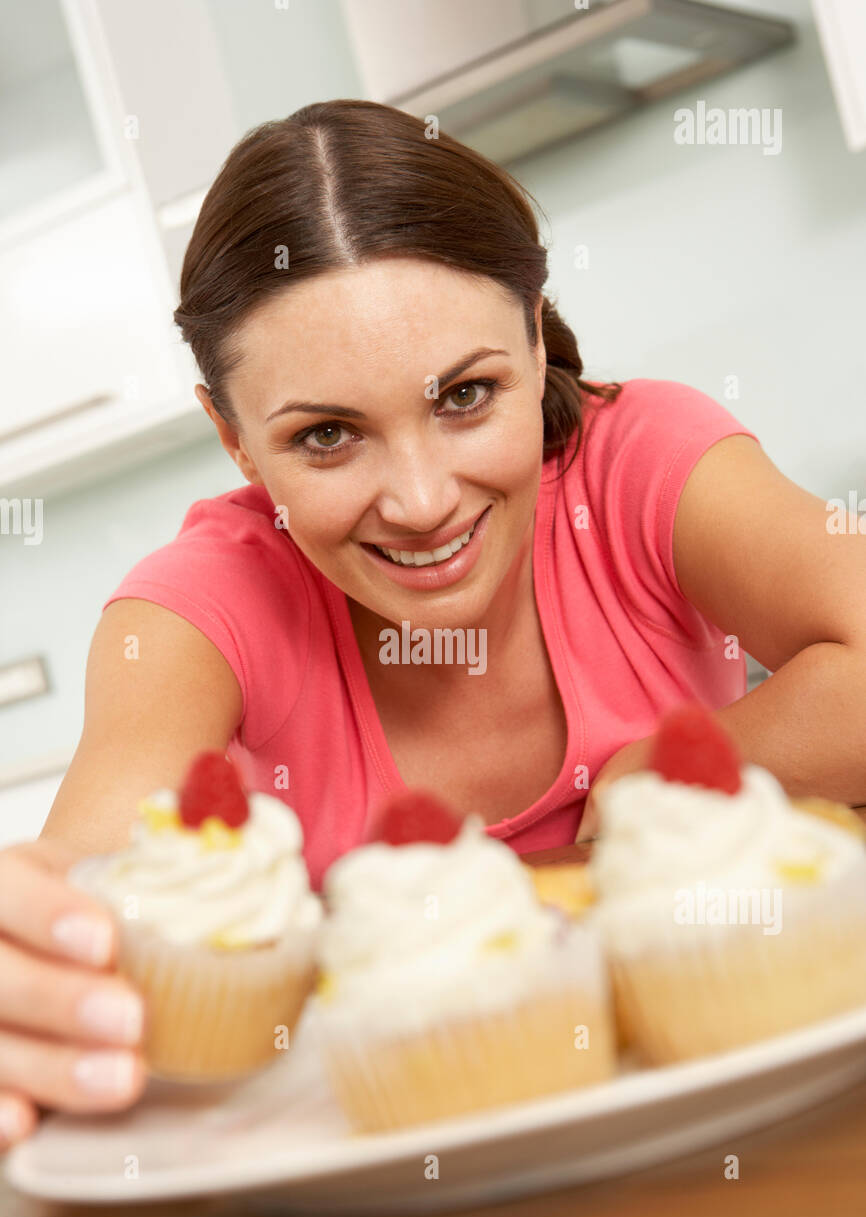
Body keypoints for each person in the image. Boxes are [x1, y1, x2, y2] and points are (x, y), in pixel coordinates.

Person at [2, 100, 863, 1152]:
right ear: (231, 438)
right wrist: (42, 951)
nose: (419, 499)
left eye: (464, 395)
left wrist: (648, 778)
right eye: (326, 435)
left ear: (530, 328)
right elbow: (95, 869)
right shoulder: (197, 607)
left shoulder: (641, 459)